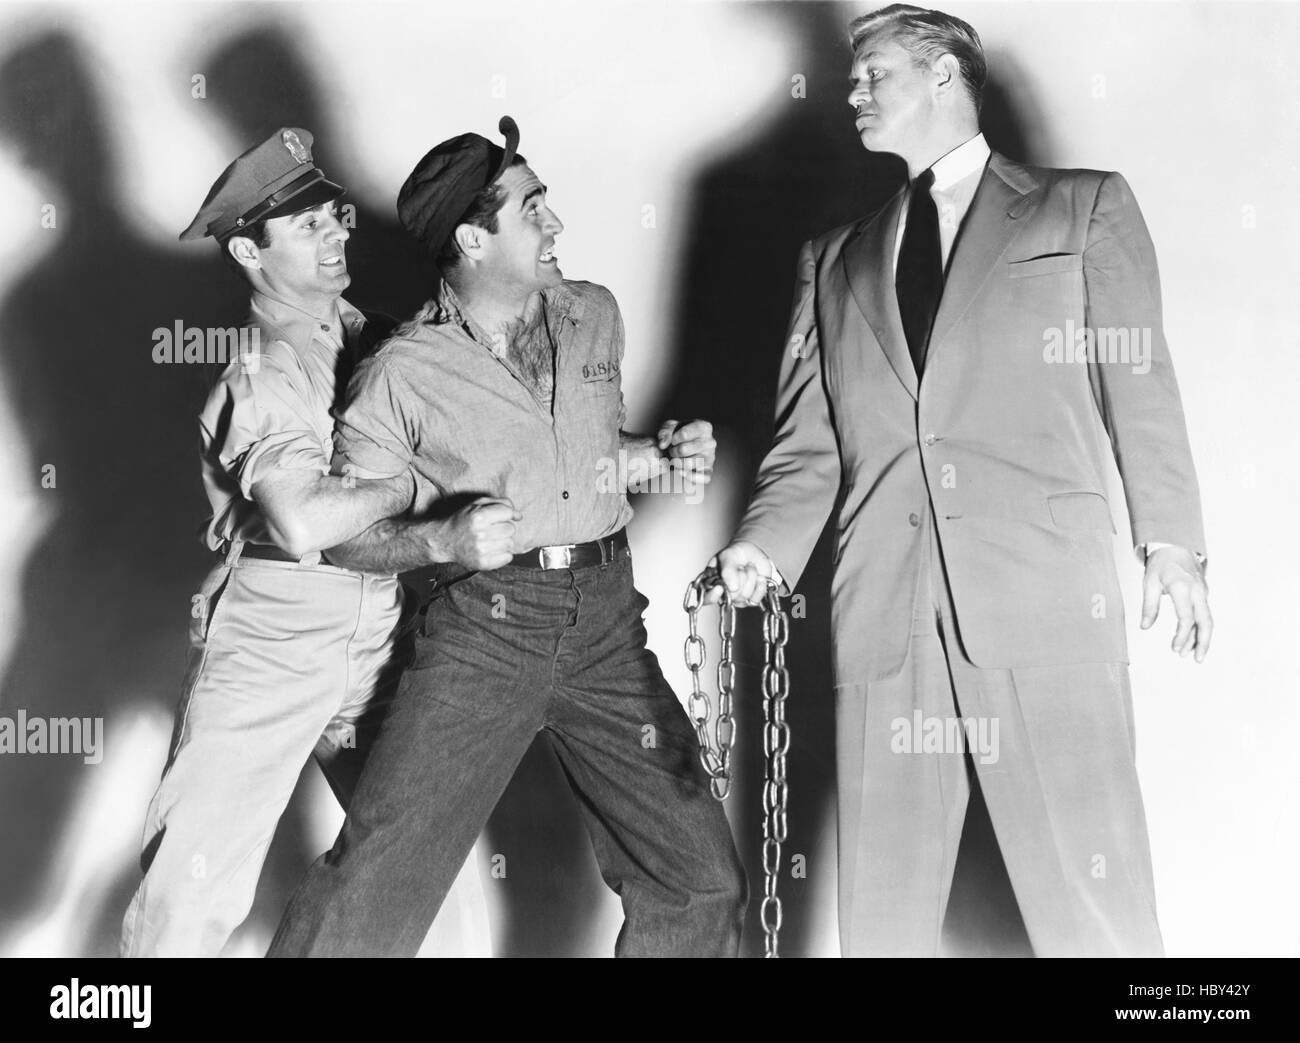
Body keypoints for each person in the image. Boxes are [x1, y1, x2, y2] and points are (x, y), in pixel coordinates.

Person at [710, 5, 1212, 957]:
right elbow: (808, 446)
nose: (851, 93)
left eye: (874, 74)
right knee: (884, 918)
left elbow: (1136, 383)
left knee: (1091, 896)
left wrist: (1172, 545)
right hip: (885, 616)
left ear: (944, 74)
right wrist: (760, 547)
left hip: (1041, 597)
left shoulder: (1083, 207)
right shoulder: (834, 258)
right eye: (852, 78)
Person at [267, 117, 746, 958]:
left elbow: (576, 458)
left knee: (698, 879)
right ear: (471, 237)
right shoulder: (401, 373)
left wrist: (656, 458)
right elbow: (344, 539)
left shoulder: (594, 314)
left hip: (607, 630)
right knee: (379, 877)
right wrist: (440, 540)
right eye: (533, 209)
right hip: (484, 636)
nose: (555, 224)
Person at [121, 127, 487, 956]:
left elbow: (487, 432)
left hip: (379, 625)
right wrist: (410, 486)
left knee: (422, 862)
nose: (334, 239)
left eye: (335, 218)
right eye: (307, 227)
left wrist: (637, 453)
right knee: (193, 890)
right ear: (249, 248)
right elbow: (305, 522)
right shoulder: (263, 365)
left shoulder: (372, 336)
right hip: (276, 630)